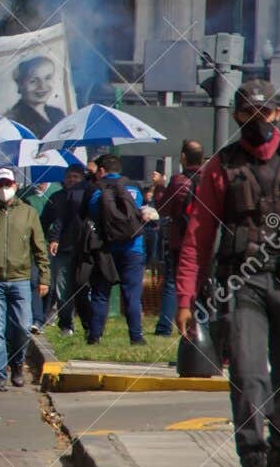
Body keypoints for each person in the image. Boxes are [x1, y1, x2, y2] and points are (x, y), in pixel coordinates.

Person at [176, 80, 280, 467]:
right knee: (249, 381)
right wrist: (184, 299)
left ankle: (278, 454)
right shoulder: (221, 167)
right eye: (248, 115)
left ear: (277, 115)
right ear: (236, 117)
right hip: (243, 285)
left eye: (264, 113)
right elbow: (197, 237)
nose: (257, 122)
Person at [0, 167, 49, 391]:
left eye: (8, 184)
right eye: (0, 184)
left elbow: (40, 248)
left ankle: (17, 365)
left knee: (23, 327)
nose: (5, 189)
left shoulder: (28, 213)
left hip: (21, 280)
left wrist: (44, 276)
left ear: (15, 185)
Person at [85, 152, 151, 346]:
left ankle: (95, 336)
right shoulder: (134, 188)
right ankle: (136, 337)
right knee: (132, 294)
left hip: (106, 249)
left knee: (100, 293)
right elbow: (142, 212)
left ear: (102, 170)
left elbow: (90, 216)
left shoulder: (95, 191)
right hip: (133, 248)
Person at [152, 140, 203, 336]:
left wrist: (159, 187)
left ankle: (164, 327)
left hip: (179, 241)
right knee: (202, 283)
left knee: (173, 282)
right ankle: (199, 326)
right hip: (204, 242)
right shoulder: (209, 178)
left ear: (183, 157)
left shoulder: (177, 181)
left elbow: (163, 209)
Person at [43, 164, 93, 336]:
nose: (72, 180)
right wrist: (49, 239)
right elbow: (45, 221)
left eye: (76, 177)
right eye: (69, 177)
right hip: (62, 250)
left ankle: (89, 326)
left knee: (83, 288)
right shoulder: (56, 197)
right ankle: (66, 325)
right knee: (61, 289)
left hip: (84, 250)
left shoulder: (88, 196)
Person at [5, 55, 66, 138]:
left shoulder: (57, 113)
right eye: (33, 81)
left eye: (48, 78)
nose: (42, 86)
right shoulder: (15, 120)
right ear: (20, 85)